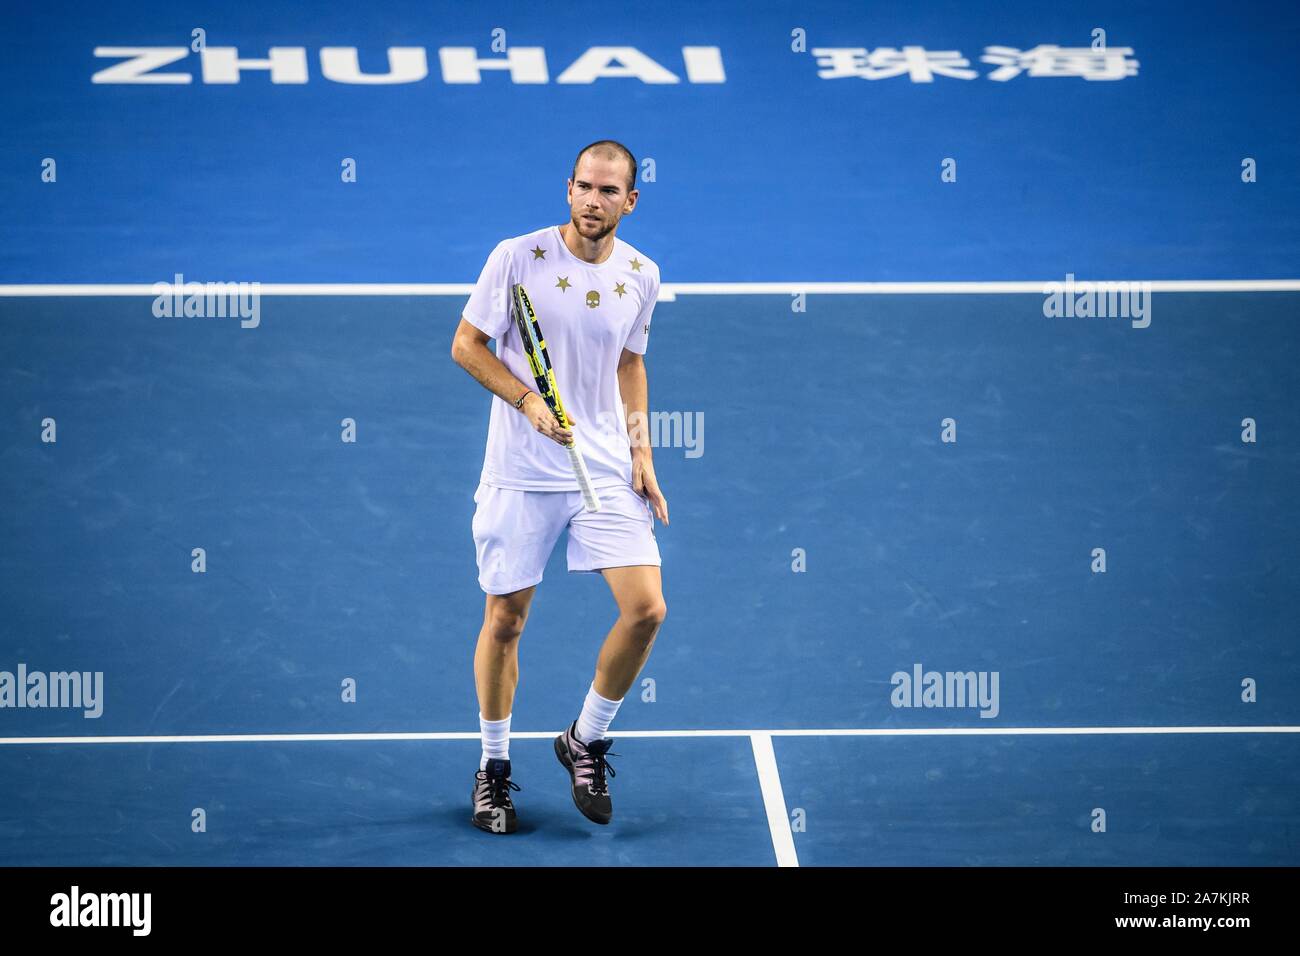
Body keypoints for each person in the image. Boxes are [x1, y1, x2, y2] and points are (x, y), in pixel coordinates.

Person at [450, 139, 668, 834]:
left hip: (600, 464)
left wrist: (642, 452)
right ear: (568, 188)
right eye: (584, 187)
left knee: (646, 610)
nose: (592, 201)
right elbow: (466, 345)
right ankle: (493, 769)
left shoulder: (642, 274)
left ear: (630, 201)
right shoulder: (517, 258)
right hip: (521, 468)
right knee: (506, 621)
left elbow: (630, 362)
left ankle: (585, 739)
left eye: (609, 192)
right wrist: (526, 401)